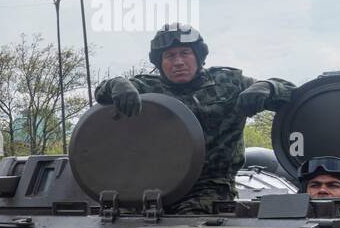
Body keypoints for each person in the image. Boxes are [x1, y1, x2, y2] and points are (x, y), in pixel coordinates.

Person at [94, 24, 294, 214]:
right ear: (159, 63)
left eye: (185, 53)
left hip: (210, 186)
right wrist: (115, 83)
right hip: (151, 186)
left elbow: (293, 95)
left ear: (199, 56)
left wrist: (268, 86)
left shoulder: (229, 83)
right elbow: (103, 93)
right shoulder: (146, 88)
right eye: (170, 56)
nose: (178, 62)